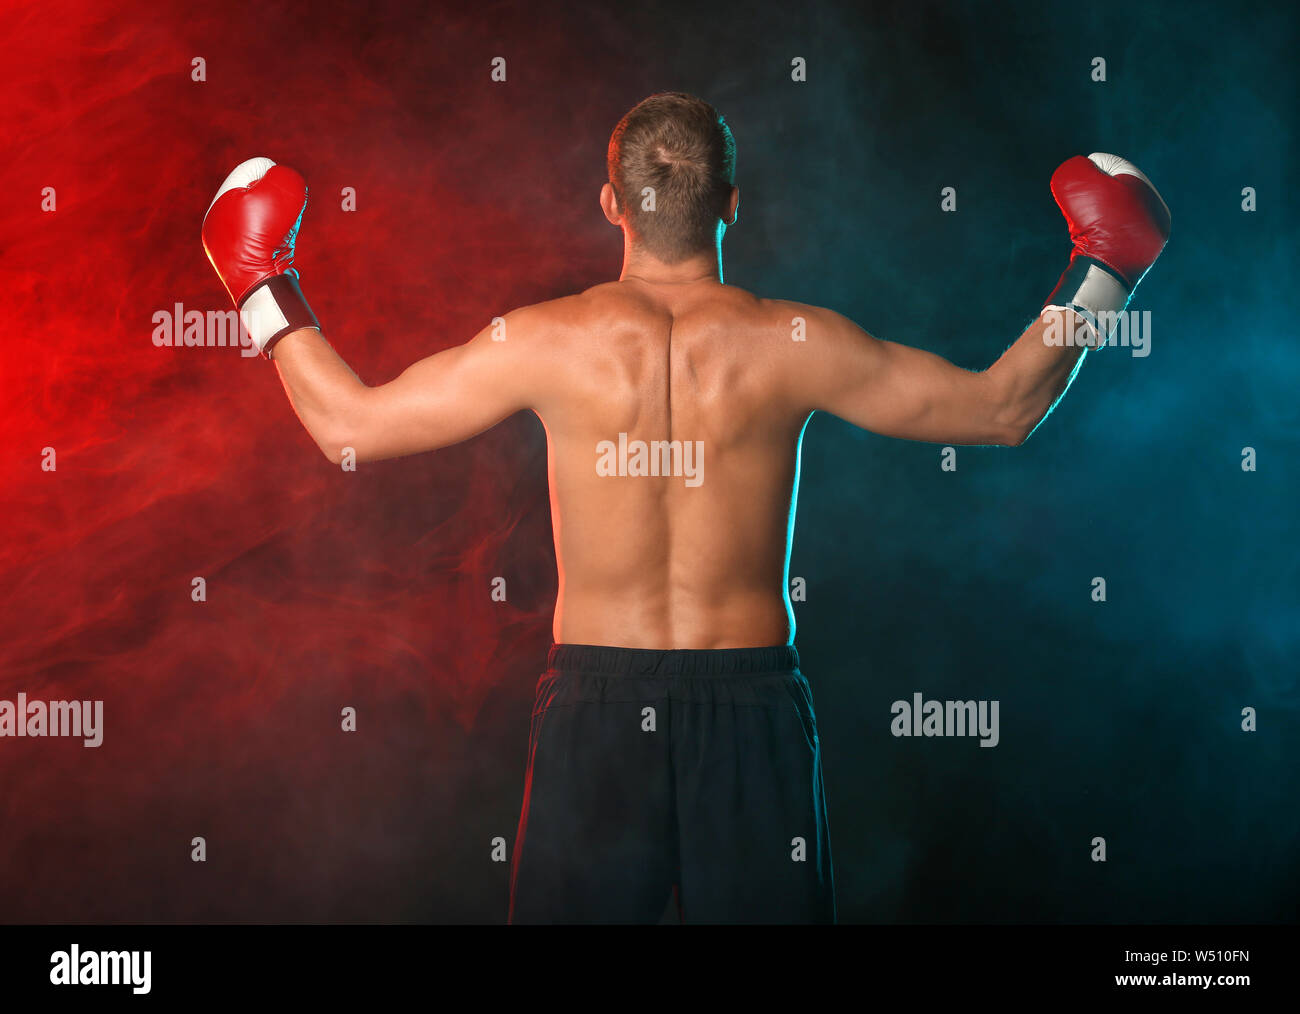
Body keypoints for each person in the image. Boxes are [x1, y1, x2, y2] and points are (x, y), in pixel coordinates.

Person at [201, 92, 1169, 924]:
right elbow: (1000, 410)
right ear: (731, 205)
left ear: (611, 202)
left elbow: (349, 428)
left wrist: (256, 280)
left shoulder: (543, 341)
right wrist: (1106, 268)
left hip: (596, 710)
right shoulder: (793, 341)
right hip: (750, 709)